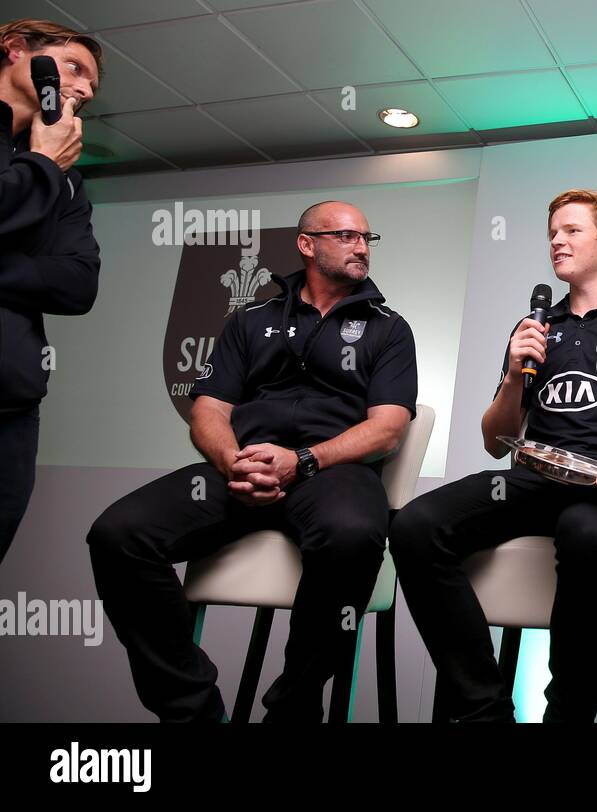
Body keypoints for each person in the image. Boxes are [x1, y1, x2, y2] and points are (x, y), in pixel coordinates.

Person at [87, 202, 417, 721]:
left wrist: (303, 460)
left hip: (330, 472)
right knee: (117, 535)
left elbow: (388, 427)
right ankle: (192, 708)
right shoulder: (250, 320)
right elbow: (209, 411)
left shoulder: (389, 328)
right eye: (347, 236)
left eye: (367, 238)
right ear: (307, 244)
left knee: (353, 534)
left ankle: (292, 705)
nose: (360, 247)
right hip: (242, 466)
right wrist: (231, 462)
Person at [389, 189, 597, 722]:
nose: (557, 240)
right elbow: (494, 439)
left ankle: (567, 714)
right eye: (552, 231)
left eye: (572, 230)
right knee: (415, 525)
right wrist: (511, 374)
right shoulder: (536, 326)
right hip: (533, 478)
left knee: (588, 534)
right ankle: (484, 707)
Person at [0, 18, 101, 564]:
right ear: (17, 52)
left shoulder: (69, 179)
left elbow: (78, 284)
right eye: (74, 68)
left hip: (12, 411)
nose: (84, 90)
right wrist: (41, 164)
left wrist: (48, 169)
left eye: (91, 84)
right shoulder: (52, 167)